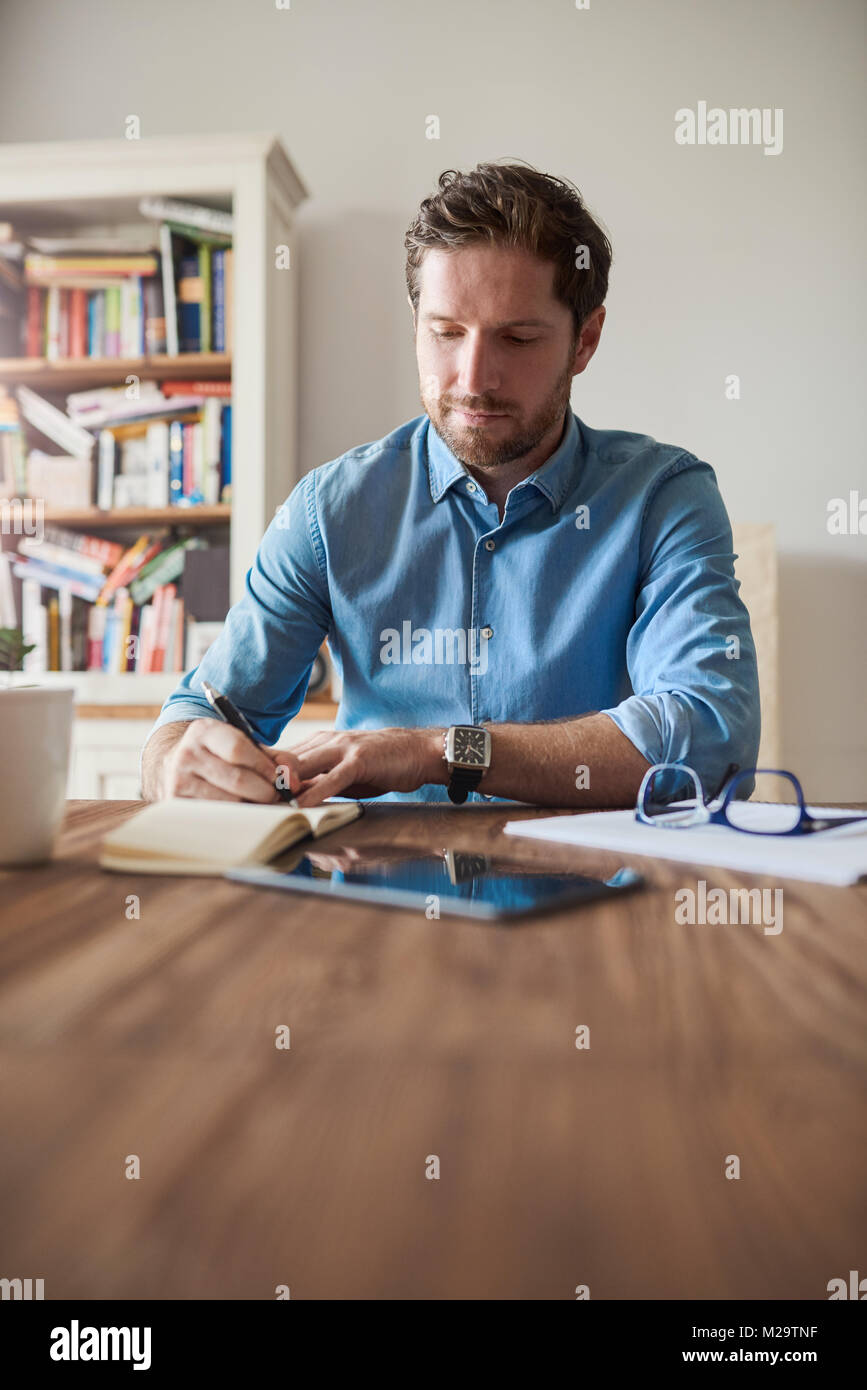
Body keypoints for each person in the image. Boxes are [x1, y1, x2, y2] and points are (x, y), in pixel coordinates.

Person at [141, 161, 760, 808]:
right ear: (415, 323)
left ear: (585, 341)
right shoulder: (330, 511)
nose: (473, 378)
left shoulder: (663, 499)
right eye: (445, 333)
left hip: (592, 897)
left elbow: (711, 738)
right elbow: (199, 713)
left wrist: (437, 752)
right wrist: (173, 764)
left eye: (517, 338)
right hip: (368, 899)